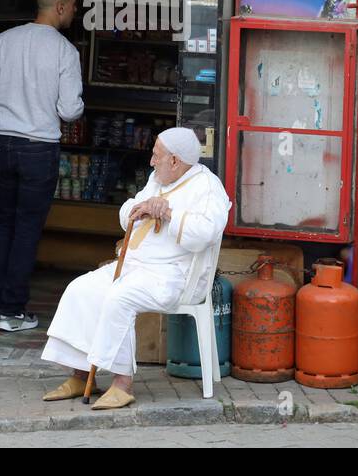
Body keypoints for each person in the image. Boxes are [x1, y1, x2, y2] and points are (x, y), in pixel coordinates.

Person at [40, 127, 231, 410]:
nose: (151, 162)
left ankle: (122, 384)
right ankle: (80, 375)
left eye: (156, 156)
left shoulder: (208, 187)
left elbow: (204, 233)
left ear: (175, 161)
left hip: (173, 276)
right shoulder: (157, 179)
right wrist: (141, 206)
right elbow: (125, 215)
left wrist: (167, 213)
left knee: (119, 297)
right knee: (79, 289)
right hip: (133, 266)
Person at [0, 0, 84, 332]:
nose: (77, 11)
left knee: (4, 220)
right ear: (61, 7)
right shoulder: (66, 51)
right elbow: (69, 110)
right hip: (38, 147)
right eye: (75, 5)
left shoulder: (4, 41)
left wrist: (8, 106)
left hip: (1, 143)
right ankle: (13, 311)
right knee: (27, 227)